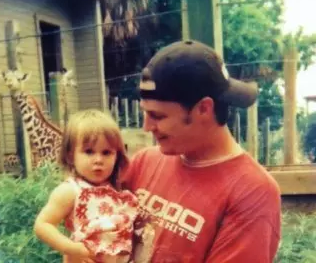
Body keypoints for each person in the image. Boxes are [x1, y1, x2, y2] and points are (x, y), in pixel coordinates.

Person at [124, 40, 281, 263]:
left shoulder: (252, 191)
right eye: (145, 113)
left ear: (204, 109)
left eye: (158, 116)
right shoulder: (144, 162)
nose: (146, 127)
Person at [34, 109, 154, 263]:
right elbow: (43, 224)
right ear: (71, 156)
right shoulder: (71, 191)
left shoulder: (116, 189)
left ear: (116, 156)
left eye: (106, 152)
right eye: (89, 151)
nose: (98, 159)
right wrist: (72, 248)